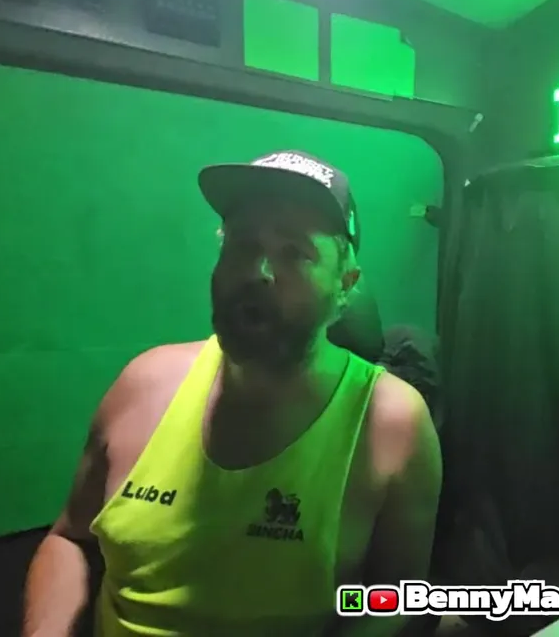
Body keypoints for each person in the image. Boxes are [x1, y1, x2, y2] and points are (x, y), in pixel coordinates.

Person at [23, 151, 442, 637]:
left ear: (345, 285)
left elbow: (400, 600)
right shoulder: (145, 383)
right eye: (243, 244)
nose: (259, 270)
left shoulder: (392, 423)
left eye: (295, 252)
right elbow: (70, 540)